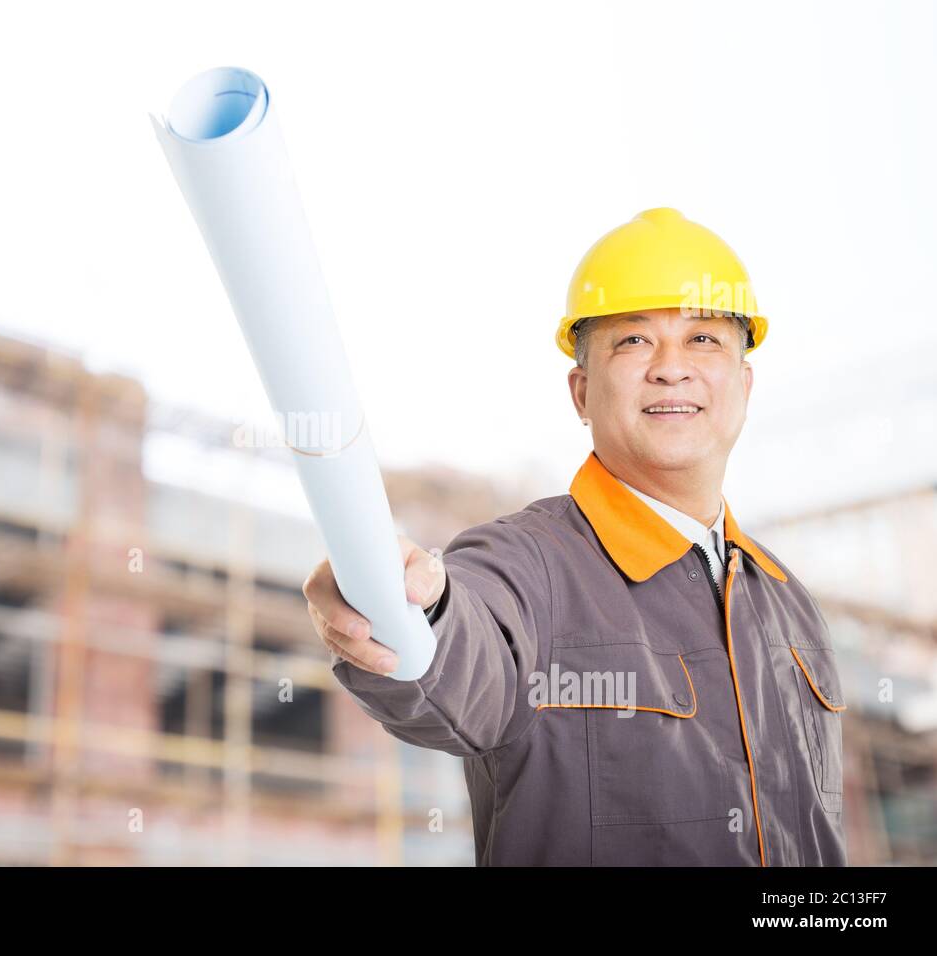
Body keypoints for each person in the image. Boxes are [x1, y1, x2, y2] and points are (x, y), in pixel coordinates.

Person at [303, 208, 848, 866]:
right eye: (634, 342)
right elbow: (466, 652)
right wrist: (401, 605)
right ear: (581, 392)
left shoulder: (790, 605)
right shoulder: (531, 568)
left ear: (744, 383)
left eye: (703, 339)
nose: (671, 368)